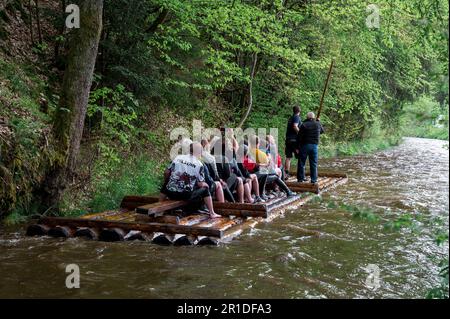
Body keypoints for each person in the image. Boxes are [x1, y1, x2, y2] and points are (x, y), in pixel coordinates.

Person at [160, 142, 221, 218]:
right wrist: (205, 184)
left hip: (170, 193)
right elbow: (200, 183)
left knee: (168, 182)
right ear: (199, 152)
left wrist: (169, 182)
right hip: (185, 195)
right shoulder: (199, 164)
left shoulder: (178, 158)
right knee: (205, 189)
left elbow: (166, 172)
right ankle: (212, 213)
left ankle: (160, 206)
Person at [296, 112, 324, 184]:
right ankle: (313, 180)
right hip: (314, 146)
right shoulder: (318, 124)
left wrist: (297, 147)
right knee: (313, 163)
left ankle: (300, 179)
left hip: (304, 146)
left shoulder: (304, 124)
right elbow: (322, 131)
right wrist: (318, 122)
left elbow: (299, 137)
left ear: (307, 117)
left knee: (301, 163)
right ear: (314, 117)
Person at [284, 105, 302, 179]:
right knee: (300, 157)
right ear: (299, 111)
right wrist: (300, 133)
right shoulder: (296, 117)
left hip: (288, 140)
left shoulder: (290, 118)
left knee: (288, 157)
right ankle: (300, 175)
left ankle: (286, 174)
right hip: (294, 140)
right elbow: (295, 126)